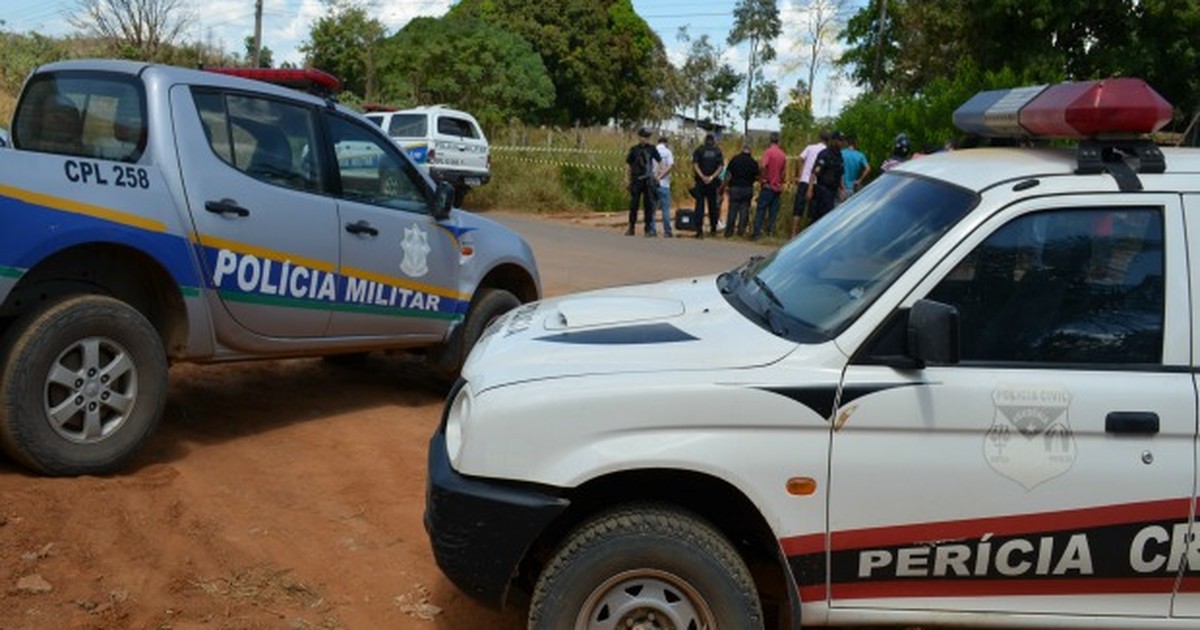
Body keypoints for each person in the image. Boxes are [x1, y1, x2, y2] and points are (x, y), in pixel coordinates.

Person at [625, 127, 662, 236]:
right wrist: (626, 179)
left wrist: (657, 175)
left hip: (647, 180)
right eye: (644, 136)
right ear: (639, 137)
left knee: (648, 205)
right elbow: (628, 164)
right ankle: (631, 227)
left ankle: (647, 228)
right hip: (636, 179)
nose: (645, 139)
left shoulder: (652, 149)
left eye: (647, 137)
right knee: (634, 204)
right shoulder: (634, 149)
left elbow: (660, 162)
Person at [791, 130, 827, 237]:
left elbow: (800, 159)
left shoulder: (810, 147)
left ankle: (793, 233)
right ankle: (808, 235)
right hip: (817, 183)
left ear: (819, 138)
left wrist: (799, 174)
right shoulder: (827, 151)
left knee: (798, 208)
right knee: (812, 211)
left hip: (804, 180)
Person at [752, 131, 786, 240]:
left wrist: (762, 179)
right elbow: (783, 174)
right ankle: (770, 233)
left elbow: (763, 166)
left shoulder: (768, 152)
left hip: (768, 186)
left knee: (761, 210)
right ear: (778, 141)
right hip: (777, 187)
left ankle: (756, 233)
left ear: (770, 140)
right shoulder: (782, 155)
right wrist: (780, 182)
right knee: (773, 213)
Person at [806, 130, 845, 225]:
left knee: (829, 219)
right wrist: (810, 190)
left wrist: (842, 189)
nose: (842, 143)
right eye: (840, 140)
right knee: (818, 218)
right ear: (834, 140)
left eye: (842, 140)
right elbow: (814, 172)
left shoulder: (839, 156)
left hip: (833, 191)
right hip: (822, 190)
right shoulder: (825, 154)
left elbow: (840, 174)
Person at [691, 133, 724, 239]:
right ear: (713, 141)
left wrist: (702, 176)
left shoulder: (699, 150)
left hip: (700, 182)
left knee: (699, 206)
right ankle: (713, 229)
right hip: (712, 183)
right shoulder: (717, 151)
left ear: (705, 140)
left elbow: (695, 165)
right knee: (713, 206)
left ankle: (699, 231)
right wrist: (711, 177)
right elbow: (720, 167)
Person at [723, 144, 759, 237]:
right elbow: (757, 176)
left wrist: (725, 185)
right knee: (744, 210)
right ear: (750, 151)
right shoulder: (753, 162)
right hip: (747, 188)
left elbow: (728, 174)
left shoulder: (735, 159)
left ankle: (729, 232)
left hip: (734, 188)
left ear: (742, 149)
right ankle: (740, 232)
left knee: (732, 210)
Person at [653, 134, 675, 237]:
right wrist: (661, 176)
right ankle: (667, 231)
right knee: (665, 208)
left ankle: (651, 230)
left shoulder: (652, 151)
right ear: (666, 143)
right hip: (664, 184)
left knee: (652, 208)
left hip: (653, 183)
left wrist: (655, 177)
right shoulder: (668, 152)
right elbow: (671, 166)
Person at [840, 134, 871, 201]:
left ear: (847, 144)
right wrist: (860, 180)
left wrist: (842, 188)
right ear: (855, 145)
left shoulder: (841, 153)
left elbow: (838, 171)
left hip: (844, 188)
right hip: (855, 187)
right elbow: (868, 168)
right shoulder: (860, 155)